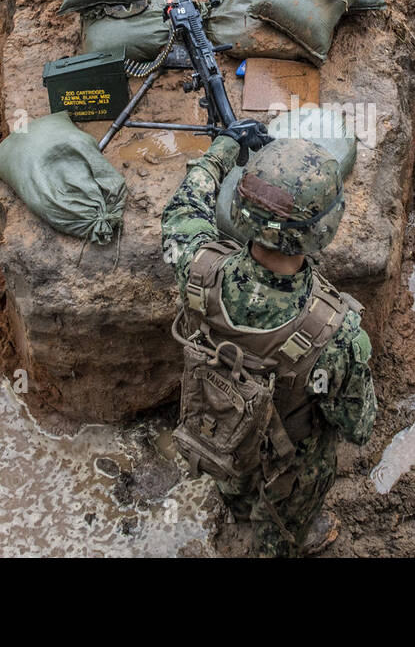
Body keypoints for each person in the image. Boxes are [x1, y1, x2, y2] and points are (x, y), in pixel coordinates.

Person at [160, 125, 376, 556]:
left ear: (240, 208)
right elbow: (358, 426)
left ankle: (238, 507)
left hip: (220, 424)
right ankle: (277, 539)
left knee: (233, 477)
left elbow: (182, 208)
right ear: (325, 228)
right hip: (289, 466)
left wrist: (224, 147)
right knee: (284, 523)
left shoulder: (198, 266)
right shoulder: (336, 333)